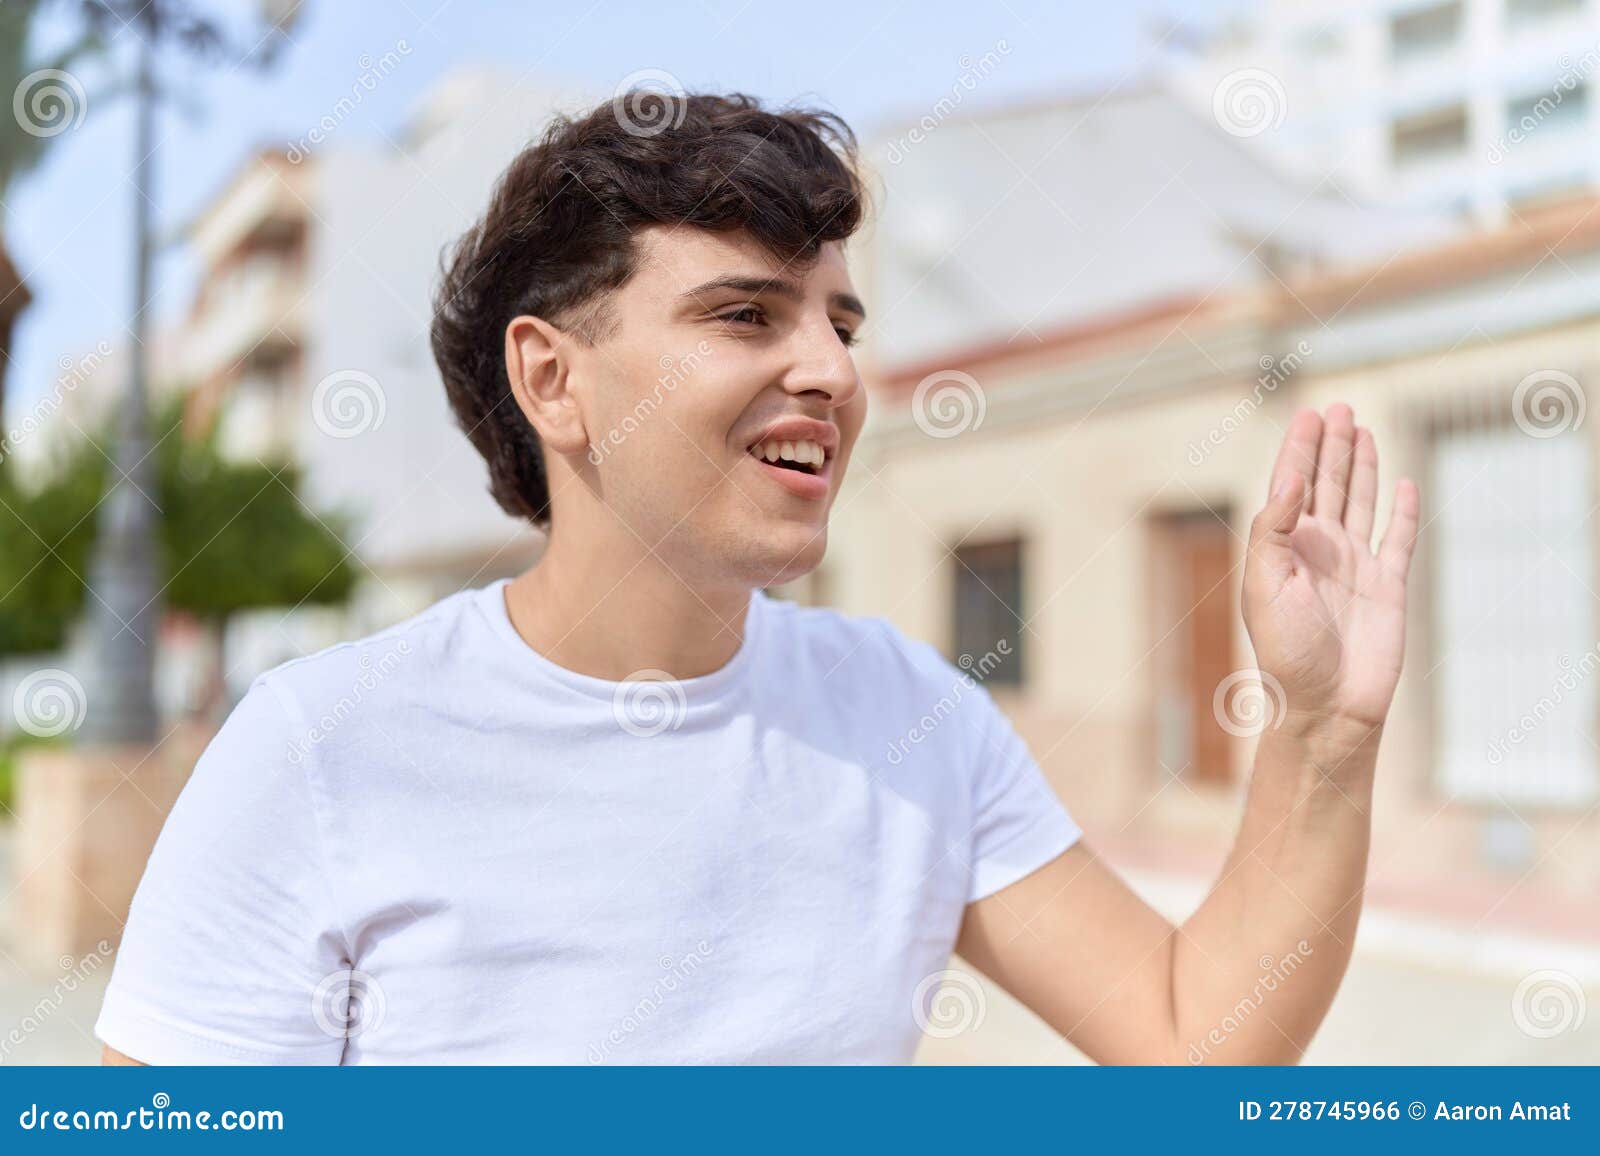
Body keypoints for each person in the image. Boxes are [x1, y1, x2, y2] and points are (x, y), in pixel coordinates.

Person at [97, 91, 1419, 1065]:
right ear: (552, 379)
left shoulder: (912, 718)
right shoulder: (323, 748)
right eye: (744, 315)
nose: (832, 372)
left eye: (842, 322)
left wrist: (1323, 731)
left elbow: (1193, 1040)